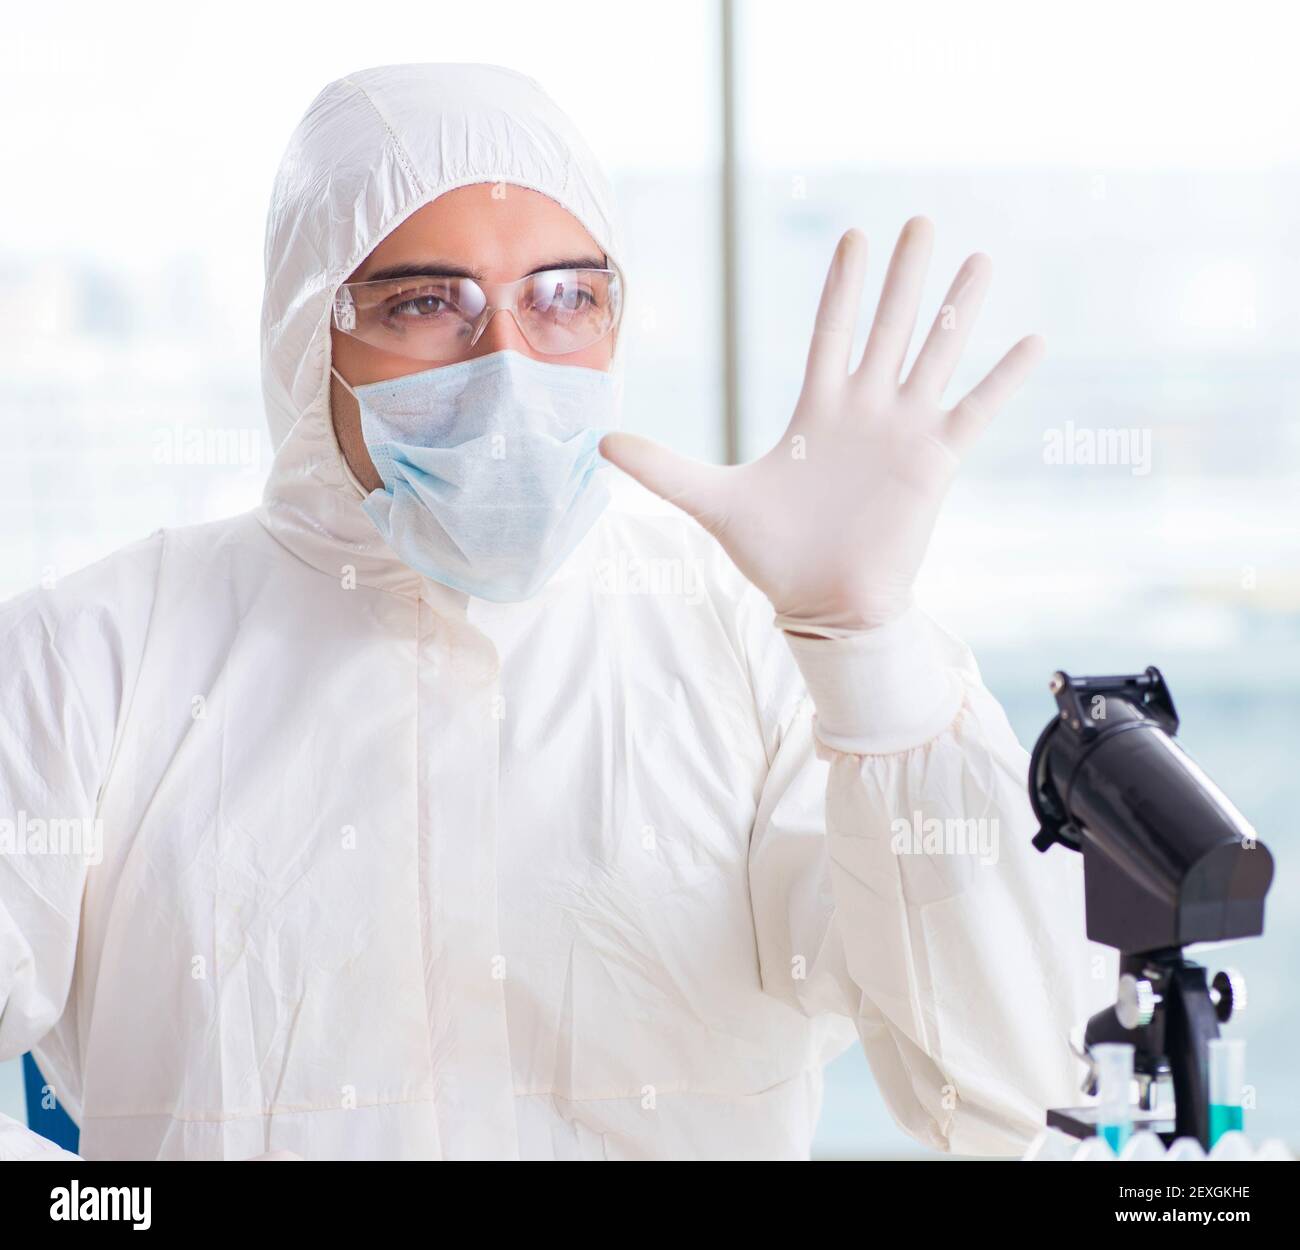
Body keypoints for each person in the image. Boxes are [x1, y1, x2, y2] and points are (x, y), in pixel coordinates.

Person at [0, 62, 1111, 1162]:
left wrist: (871, 646)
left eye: (564, 296)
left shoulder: (760, 639)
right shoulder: (93, 656)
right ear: (308, 340)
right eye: (427, 302)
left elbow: (1014, 1087)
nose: (509, 362)